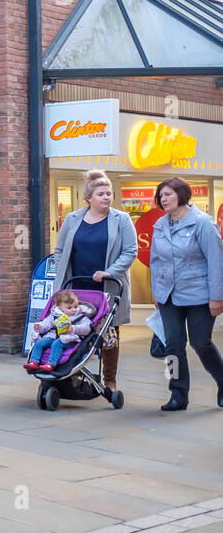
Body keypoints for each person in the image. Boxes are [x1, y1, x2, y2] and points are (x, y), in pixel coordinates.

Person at [52, 169, 137, 391]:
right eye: (101, 194)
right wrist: (64, 272)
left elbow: (130, 251)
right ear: (88, 197)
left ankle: (110, 380)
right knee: (73, 331)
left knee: (109, 334)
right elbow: (60, 250)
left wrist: (110, 271)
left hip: (107, 286)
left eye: (109, 193)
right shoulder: (72, 219)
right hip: (77, 286)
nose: (107, 197)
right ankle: (70, 374)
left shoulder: (122, 219)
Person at [148, 177, 223, 412]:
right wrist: (156, 292)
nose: (163, 199)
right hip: (168, 296)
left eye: (168, 194)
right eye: (161, 195)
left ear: (182, 194)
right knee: (173, 344)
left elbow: (216, 261)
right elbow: (155, 261)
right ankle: (178, 393)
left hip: (199, 295)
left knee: (201, 342)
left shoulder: (202, 224)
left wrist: (217, 297)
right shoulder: (160, 225)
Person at [24, 290, 92, 372]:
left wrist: (74, 328)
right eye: (69, 308)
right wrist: (39, 327)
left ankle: (51, 364)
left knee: (57, 344)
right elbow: (46, 324)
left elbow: (87, 328)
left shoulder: (81, 317)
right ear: (60, 308)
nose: (74, 310)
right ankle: (34, 362)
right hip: (54, 336)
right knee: (40, 342)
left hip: (70, 339)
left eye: (76, 306)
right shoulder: (55, 315)